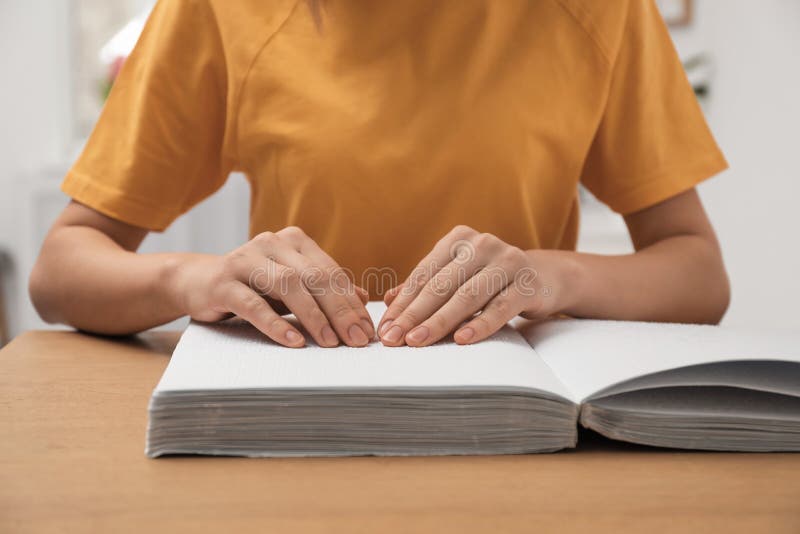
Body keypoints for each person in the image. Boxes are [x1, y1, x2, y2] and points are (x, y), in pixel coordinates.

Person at [29, 0, 730, 349]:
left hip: (520, 424)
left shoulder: (597, 12)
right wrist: (191, 280)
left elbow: (698, 273)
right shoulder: (223, 11)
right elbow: (61, 270)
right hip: (294, 422)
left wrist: (556, 277)